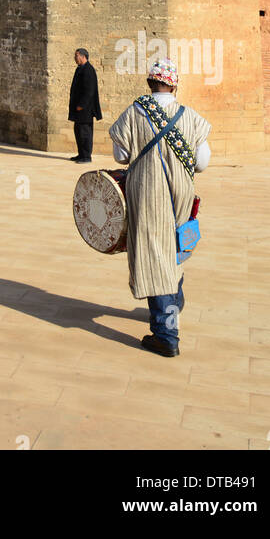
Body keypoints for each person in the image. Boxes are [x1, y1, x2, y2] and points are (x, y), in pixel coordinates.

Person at [109, 59, 211, 357]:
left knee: (155, 254)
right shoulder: (190, 116)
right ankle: (173, 300)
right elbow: (203, 162)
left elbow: (120, 155)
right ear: (174, 84)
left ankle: (166, 334)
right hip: (181, 192)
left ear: (149, 83)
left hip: (148, 190)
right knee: (172, 246)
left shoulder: (134, 112)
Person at [68, 47, 102, 163]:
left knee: (85, 133)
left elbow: (89, 91)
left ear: (83, 56)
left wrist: (81, 105)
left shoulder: (88, 70)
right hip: (79, 109)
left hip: (85, 109)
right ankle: (81, 154)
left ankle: (87, 156)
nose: (74, 58)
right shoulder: (80, 69)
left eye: (76, 56)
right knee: (78, 131)